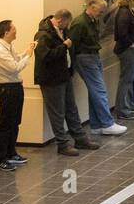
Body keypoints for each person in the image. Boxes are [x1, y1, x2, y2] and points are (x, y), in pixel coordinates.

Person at [34, 10, 99, 156]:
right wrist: (64, 46)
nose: (68, 26)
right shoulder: (43, 35)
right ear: (60, 20)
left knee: (71, 108)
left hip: (64, 75)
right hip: (51, 79)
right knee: (57, 113)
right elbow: (45, 56)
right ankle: (62, 144)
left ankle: (80, 138)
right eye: (66, 23)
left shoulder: (62, 30)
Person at [69, 0, 128, 137]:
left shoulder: (92, 20)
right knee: (99, 90)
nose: (101, 13)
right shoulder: (80, 23)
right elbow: (73, 45)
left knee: (94, 91)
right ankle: (107, 123)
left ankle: (96, 125)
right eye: (100, 10)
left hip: (93, 56)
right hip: (85, 58)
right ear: (91, 6)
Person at [0, 20, 35, 171]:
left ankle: (11, 153)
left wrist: (27, 50)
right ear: (6, 32)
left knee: (15, 122)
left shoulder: (8, 47)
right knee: (5, 124)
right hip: (7, 89)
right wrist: (28, 57)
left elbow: (16, 58)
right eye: (14, 29)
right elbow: (15, 68)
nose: (16, 31)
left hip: (16, 88)